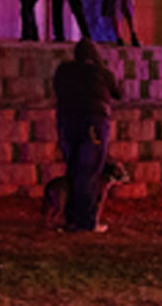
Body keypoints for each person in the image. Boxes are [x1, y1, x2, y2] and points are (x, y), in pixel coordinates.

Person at [53, 38, 123, 232]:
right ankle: (86, 222)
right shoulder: (101, 73)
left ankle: (71, 218)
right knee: (89, 172)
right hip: (93, 123)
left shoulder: (64, 71)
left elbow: (57, 90)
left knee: (73, 169)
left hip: (67, 123)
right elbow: (118, 93)